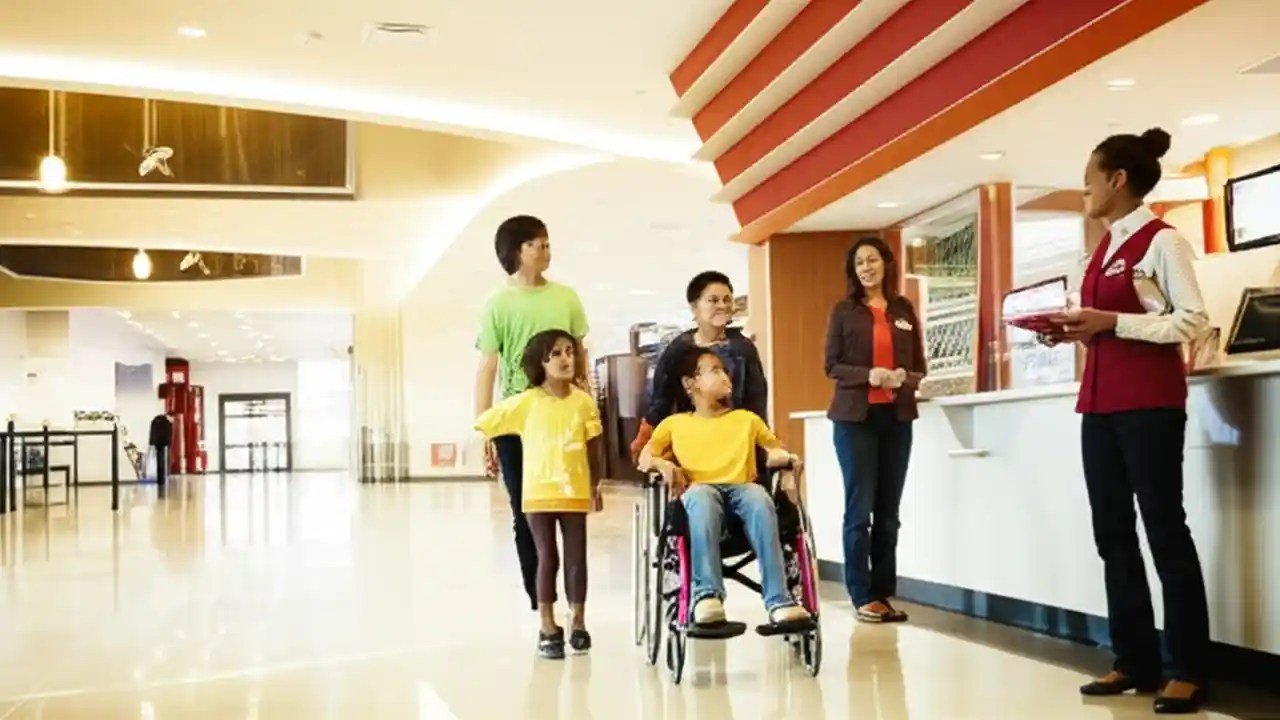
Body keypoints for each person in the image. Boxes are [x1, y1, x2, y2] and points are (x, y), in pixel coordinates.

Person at [1045, 127, 1211, 715]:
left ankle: (1188, 667)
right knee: (1112, 534)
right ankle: (1134, 659)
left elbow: (1191, 320)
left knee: (1165, 530)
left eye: (1089, 178)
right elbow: (1108, 325)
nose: (1084, 190)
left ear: (1117, 179)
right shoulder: (1103, 248)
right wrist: (1073, 329)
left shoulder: (1163, 241)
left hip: (1149, 405)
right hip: (1100, 405)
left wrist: (1111, 322)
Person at [638, 346, 812, 627]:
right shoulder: (674, 424)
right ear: (690, 383)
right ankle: (707, 596)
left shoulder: (746, 420)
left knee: (760, 498)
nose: (725, 377)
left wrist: (783, 457)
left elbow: (772, 449)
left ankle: (779, 601)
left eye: (724, 371)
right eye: (714, 370)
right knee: (702, 497)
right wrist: (663, 465)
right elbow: (645, 458)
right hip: (700, 491)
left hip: (743, 489)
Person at [474, 215, 590, 612]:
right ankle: (540, 601)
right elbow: (487, 367)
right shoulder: (497, 303)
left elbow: (580, 355)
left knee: (570, 513)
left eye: (546, 242)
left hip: (564, 419)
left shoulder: (567, 298)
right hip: (517, 422)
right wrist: (486, 430)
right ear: (514, 252)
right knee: (525, 511)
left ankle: (573, 603)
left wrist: (586, 404)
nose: (544, 249)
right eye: (534, 244)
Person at [476, 330, 603, 659]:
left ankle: (578, 621)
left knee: (576, 557)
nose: (565, 359)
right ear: (540, 362)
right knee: (548, 556)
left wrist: (595, 485)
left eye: (569, 351)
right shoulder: (526, 402)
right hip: (537, 493)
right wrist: (490, 442)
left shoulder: (583, 402)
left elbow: (594, 448)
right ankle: (547, 625)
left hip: (575, 491)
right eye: (555, 354)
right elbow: (487, 421)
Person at [824, 236, 926, 624]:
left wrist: (905, 378)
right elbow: (832, 366)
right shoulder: (844, 311)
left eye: (872, 260)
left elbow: (919, 367)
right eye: (859, 263)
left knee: (888, 513)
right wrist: (870, 374)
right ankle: (861, 594)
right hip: (856, 421)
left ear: (886, 263)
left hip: (896, 418)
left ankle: (882, 593)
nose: (866, 268)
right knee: (860, 510)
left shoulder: (903, 310)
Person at [629, 271, 768, 462]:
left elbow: (757, 402)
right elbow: (661, 401)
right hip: (690, 445)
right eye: (713, 300)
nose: (722, 306)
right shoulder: (679, 349)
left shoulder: (743, 349)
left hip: (735, 444)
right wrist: (647, 440)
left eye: (727, 300)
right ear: (694, 307)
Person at [148, 409, 174, 495]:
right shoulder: (166, 422)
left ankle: (160, 479)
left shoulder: (156, 420)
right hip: (163, 444)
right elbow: (168, 434)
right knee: (162, 461)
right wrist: (169, 443)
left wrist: (151, 442)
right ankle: (162, 479)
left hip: (156, 443)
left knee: (159, 460)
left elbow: (152, 432)